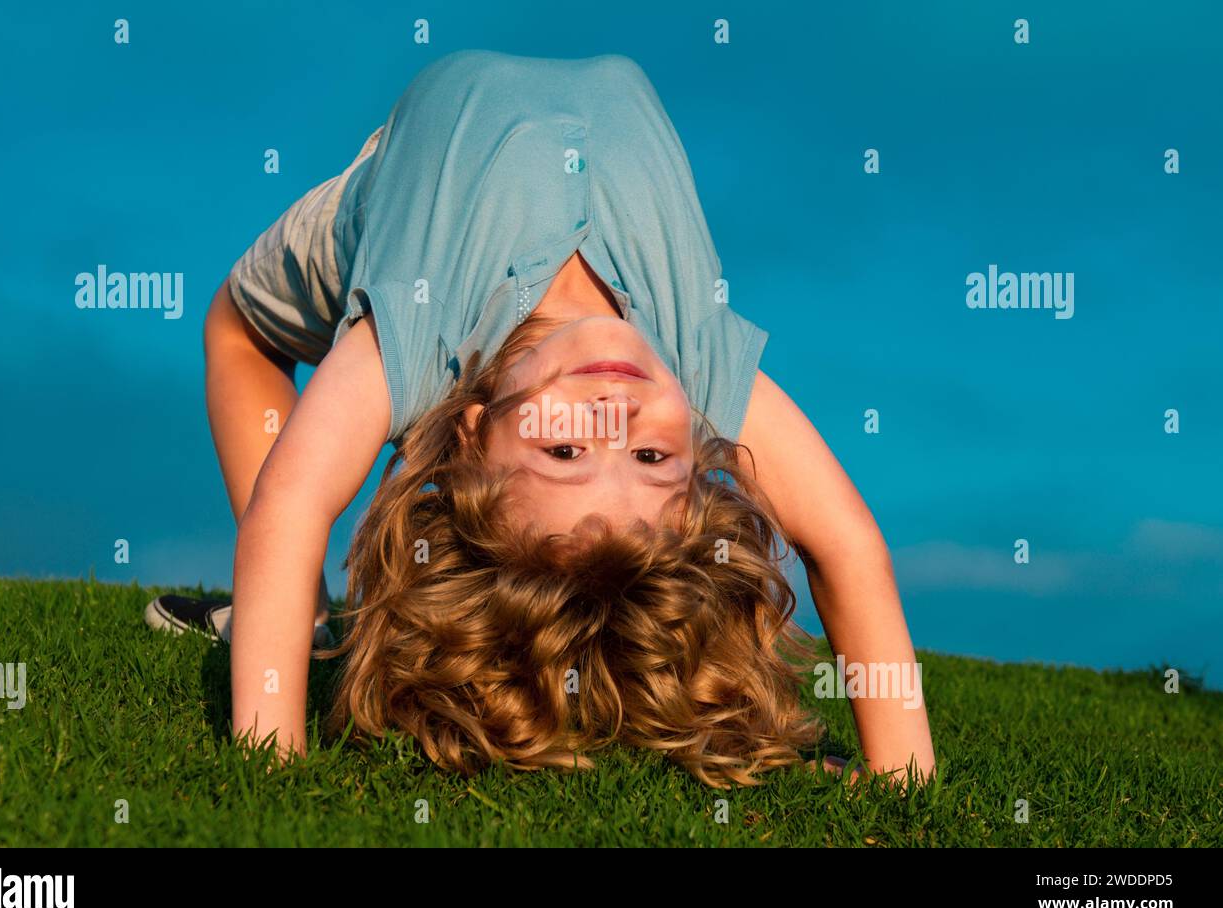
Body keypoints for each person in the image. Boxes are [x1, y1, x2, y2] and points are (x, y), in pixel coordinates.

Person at [147, 50, 935, 788]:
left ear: (469, 434)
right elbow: (847, 544)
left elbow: (292, 503)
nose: (613, 418)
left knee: (235, 332)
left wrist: (271, 758)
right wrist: (903, 777)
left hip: (382, 195)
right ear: (697, 454)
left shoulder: (422, 337)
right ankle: (303, 623)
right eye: (652, 460)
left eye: (563, 449)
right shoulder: (693, 364)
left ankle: (308, 624)